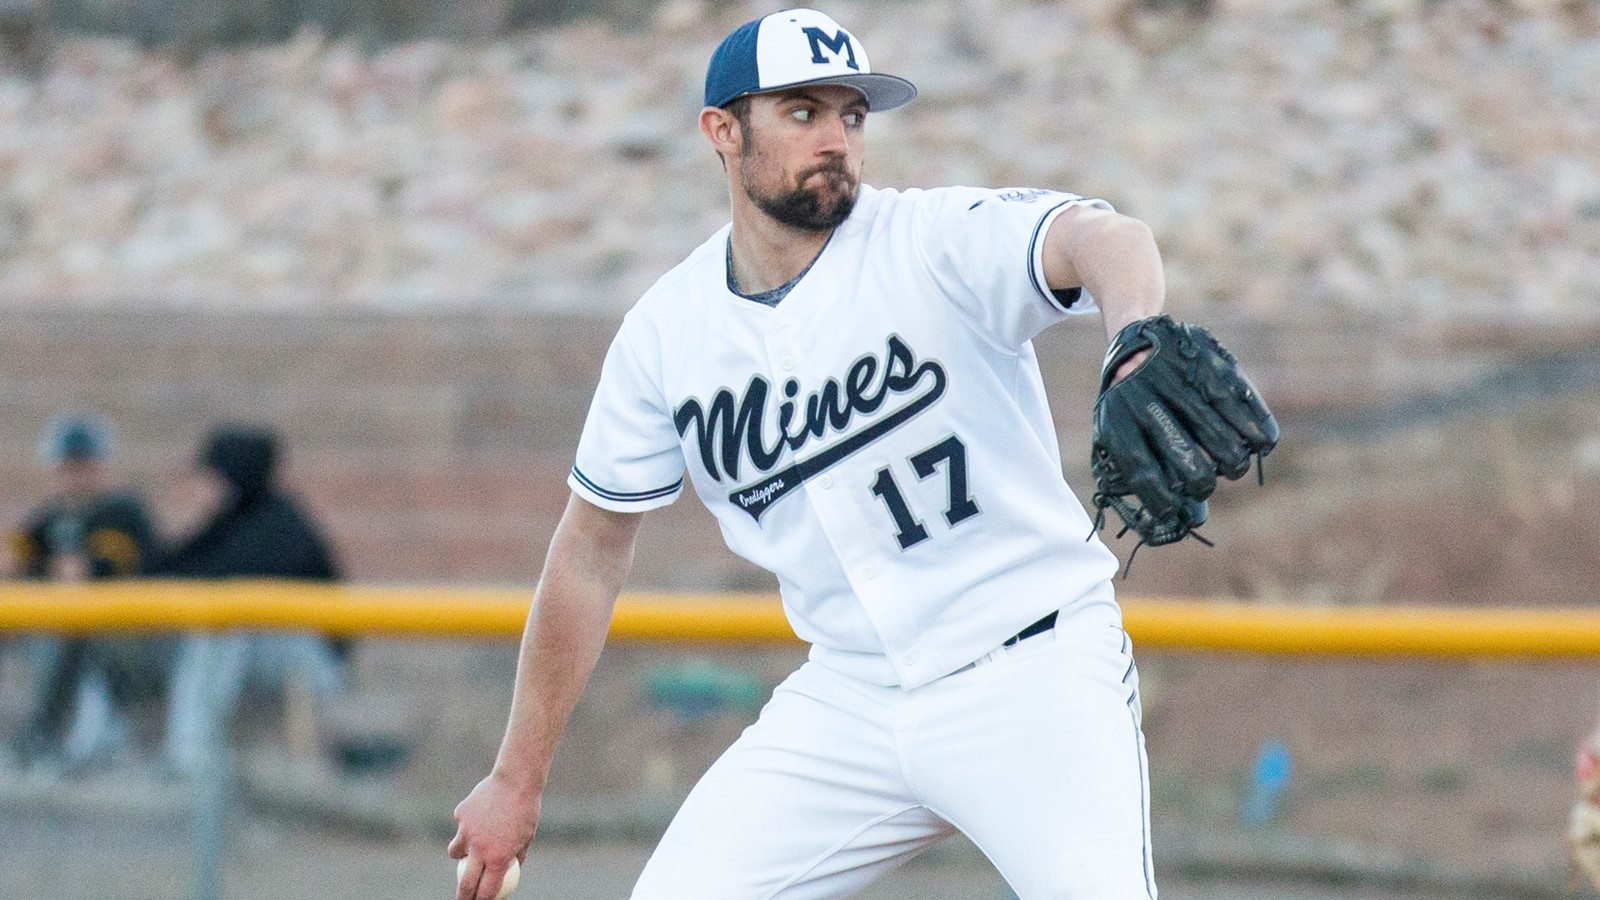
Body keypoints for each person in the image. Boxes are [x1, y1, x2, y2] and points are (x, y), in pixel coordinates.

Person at [451, 10, 1263, 898]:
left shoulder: (932, 239)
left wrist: (1135, 334)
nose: (836, 138)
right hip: (851, 698)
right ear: (722, 132)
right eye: (802, 112)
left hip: (1033, 671)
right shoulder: (665, 334)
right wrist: (515, 780)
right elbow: (589, 555)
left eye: (853, 115)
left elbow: (1103, 237)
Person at [154, 424, 345, 776]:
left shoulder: (281, 520)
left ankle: (189, 761)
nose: (208, 485)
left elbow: (226, 580)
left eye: (214, 475)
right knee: (211, 627)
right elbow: (166, 569)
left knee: (225, 624)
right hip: (259, 651)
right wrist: (177, 525)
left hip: (309, 658)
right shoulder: (228, 519)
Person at [7, 413, 159, 771]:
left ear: (100, 466)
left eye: (83, 465)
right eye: (67, 467)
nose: (75, 476)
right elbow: (19, 554)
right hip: (67, 633)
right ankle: (38, 741)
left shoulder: (122, 511)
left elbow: (93, 570)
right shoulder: (55, 515)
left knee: (70, 634)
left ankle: (51, 739)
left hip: (126, 640)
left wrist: (45, 567)